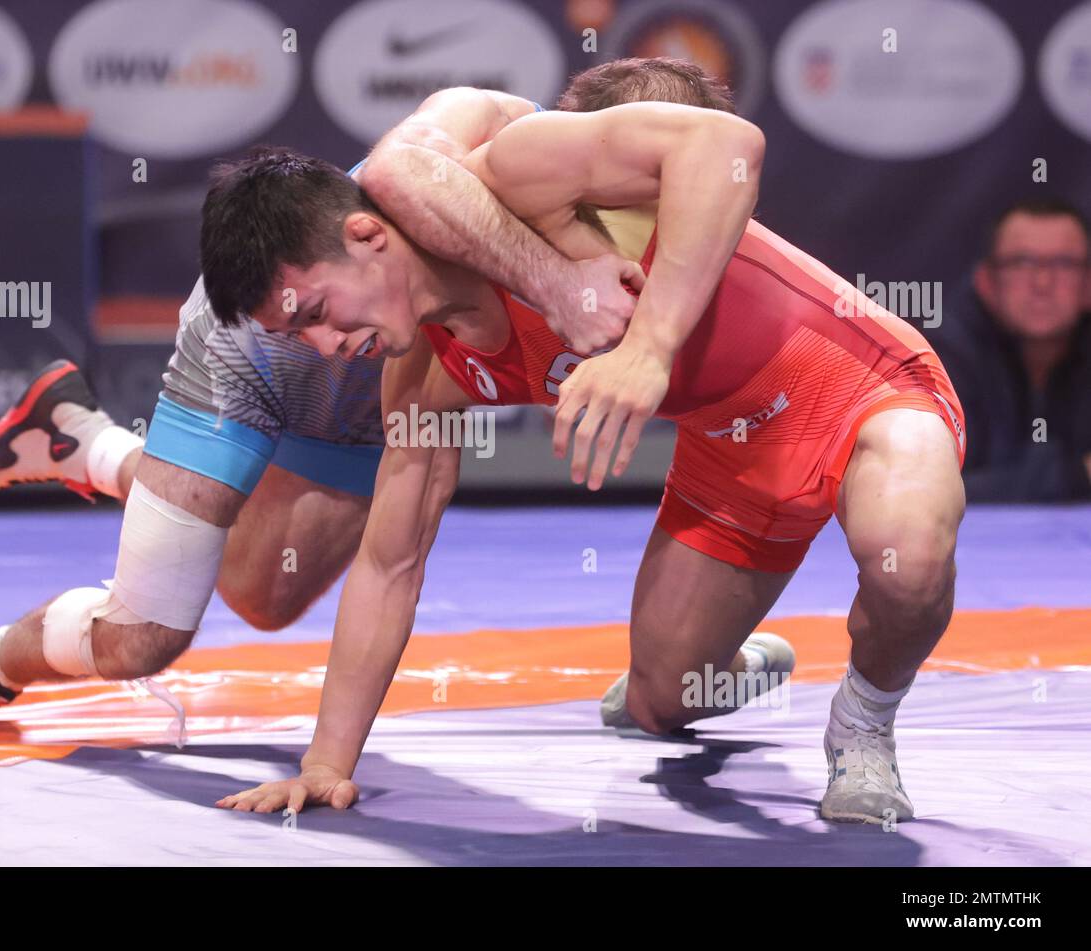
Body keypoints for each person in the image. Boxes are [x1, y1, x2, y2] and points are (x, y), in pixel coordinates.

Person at [215, 58, 967, 825]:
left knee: (905, 559)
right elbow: (390, 561)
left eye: (314, 311)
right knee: (661, 701)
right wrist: (325, 764)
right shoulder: (424, 375)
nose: (324, 345)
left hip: (862, 386)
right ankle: (735, 662)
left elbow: (728, 144)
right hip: (731, 445)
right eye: (297, 333)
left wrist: (649, 349)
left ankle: (864, 724)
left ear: (368, 237)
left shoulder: (514, 181)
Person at [0, 88, 641, 753]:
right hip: (254, 358)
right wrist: (563, 284)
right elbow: (418, 154)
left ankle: (88, 444)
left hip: (381, 356)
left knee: (265, 598)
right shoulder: (464, 155)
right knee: (146, 637)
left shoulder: (592, 200)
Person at [928, 198, 1091, 501]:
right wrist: (1077, 474)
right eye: (1021, 263)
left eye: (1064, 264)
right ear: (987, 283)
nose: (1043, 283)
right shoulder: (942, 358)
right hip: (971, 547)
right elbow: (935, 489)